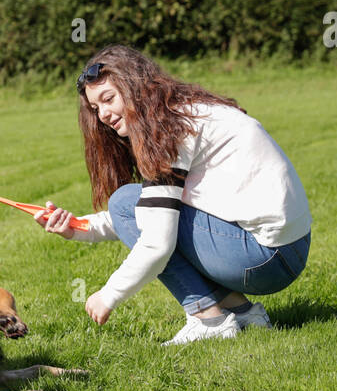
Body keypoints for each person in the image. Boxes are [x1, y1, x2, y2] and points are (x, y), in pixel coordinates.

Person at [35, 44, 312, 345]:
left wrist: (109, 295)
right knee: (130, 203)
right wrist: (75, 227)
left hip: (264, 258)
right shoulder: (182, 112)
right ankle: (243, 313)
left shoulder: (169, 130)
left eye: (108, 99)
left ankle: (210, 319)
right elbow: (148, 213)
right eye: (95, 108)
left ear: (134, 86)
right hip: (288, 249)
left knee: (125, 201)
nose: (102, 115)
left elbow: (156, 239)